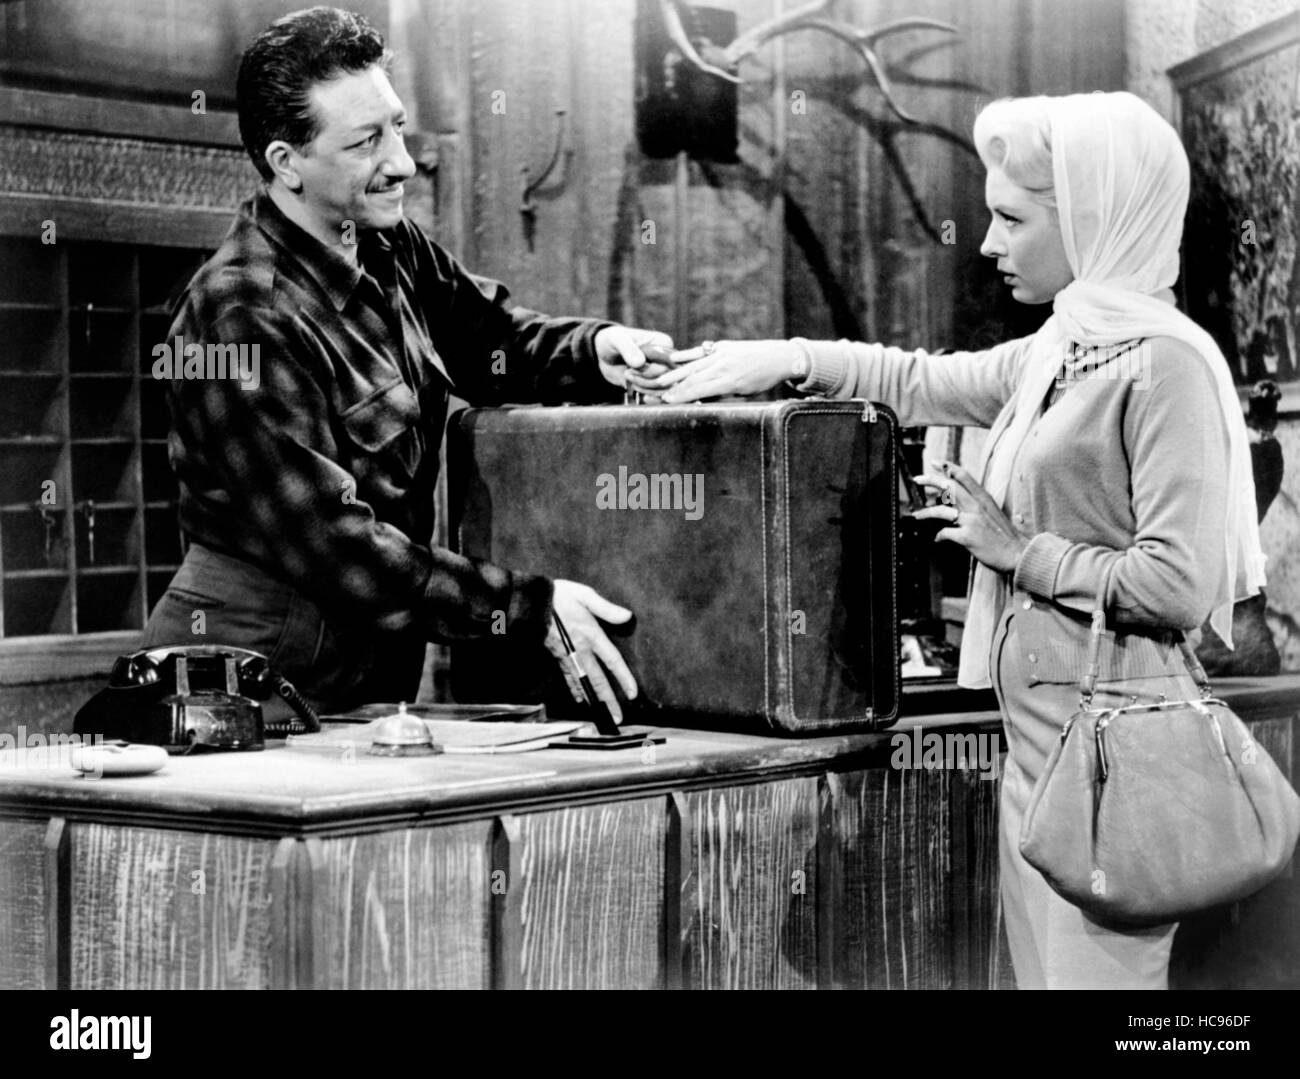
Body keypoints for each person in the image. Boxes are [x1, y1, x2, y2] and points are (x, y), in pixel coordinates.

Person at [631, 91, 1267, 989]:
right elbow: (918, 379)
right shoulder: (1062, 350)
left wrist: (1018, 552)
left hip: (1117, 767)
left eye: (1012, 217)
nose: (987, 243)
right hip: (1042, 759)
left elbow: (1176, 583)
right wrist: (784, 357)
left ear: (1092, 215)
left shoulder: (1165, 365)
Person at [142, 7, 672, 722]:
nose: (400, 160)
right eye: (366, 141)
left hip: (363, 664)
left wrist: (598, 351)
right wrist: (524, 606)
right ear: (286, 163)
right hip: (252, 676)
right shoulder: (239, 315)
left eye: (395, 125)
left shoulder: (385, 242)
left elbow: (495, 342)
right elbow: (333, 545)